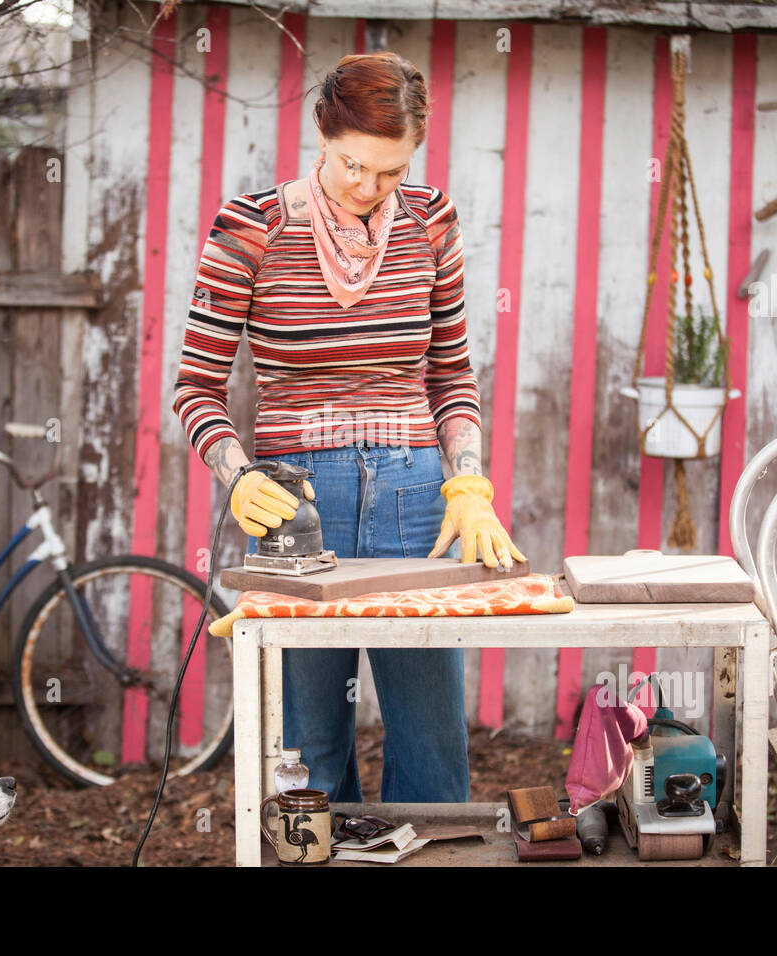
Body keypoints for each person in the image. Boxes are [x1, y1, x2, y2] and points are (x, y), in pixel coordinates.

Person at [171, 51, 524, 803]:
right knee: (310, 743)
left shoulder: (433, 223)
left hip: (416, 495)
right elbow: (196, 389)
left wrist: (466, 480)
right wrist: (239, 478)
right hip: (299, 502)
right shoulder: (251, 228)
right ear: (321, 134)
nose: (369, 188)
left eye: (390, 172)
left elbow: (451, 374)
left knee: (431, 739)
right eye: (351, 164)